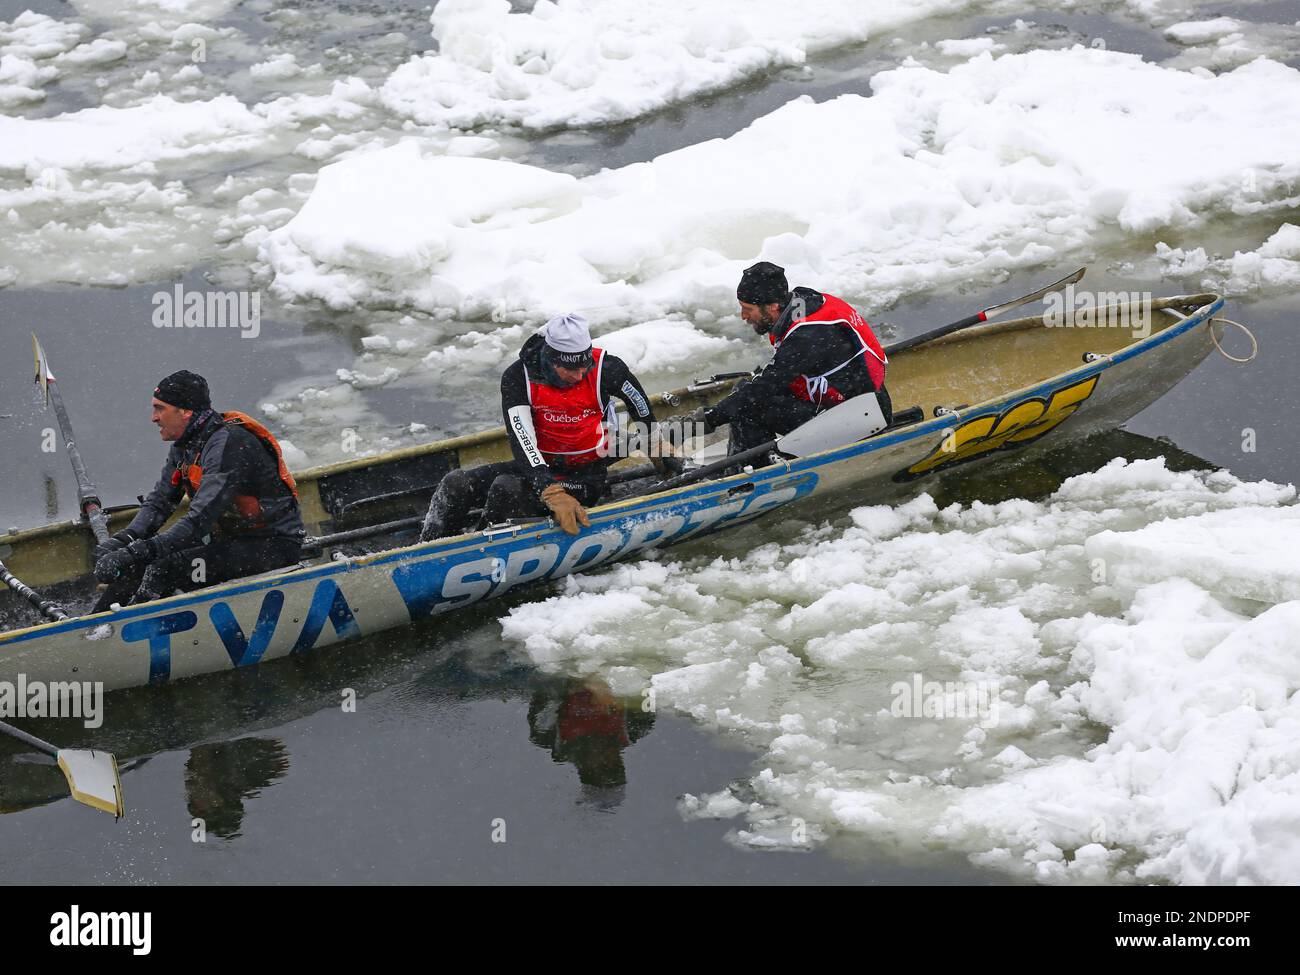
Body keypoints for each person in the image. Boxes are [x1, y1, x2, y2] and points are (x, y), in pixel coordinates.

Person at [420, 313, 676, 540]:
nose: (578, 375)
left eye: (583, 366)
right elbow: (522, 439)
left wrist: (655, 444)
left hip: (586, 476)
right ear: (549, 360)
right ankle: (427, 551)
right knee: (454, 483)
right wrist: (549, 490)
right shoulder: (518, 377)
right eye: (569, 368)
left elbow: (640, 407)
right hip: (538, 469)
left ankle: (476, 550)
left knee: (505, 488)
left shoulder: (607, 369)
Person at [91, 370, 305, 611]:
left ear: (185, 411)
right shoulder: (185, 444)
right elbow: (160, 503)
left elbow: (198, 522)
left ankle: (129, 625)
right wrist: (124, 540)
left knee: (163, 565)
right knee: (139, 562)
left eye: (160, 409)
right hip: (229, 543)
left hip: (273, 548)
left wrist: (136, 552)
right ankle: (97, 623)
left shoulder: (228, 444)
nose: (153, 418)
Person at [686, 261, 892, 455]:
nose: (743, 316)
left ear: (772, 306)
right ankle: (759, 458)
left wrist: (705, 420)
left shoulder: (808, 335)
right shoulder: (801, 305)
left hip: (860, 419)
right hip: (853, 404)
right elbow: (778, 376)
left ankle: (752, 478)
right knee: (746, 394)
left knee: (748, 406)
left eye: (748, 309)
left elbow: (765, 387)